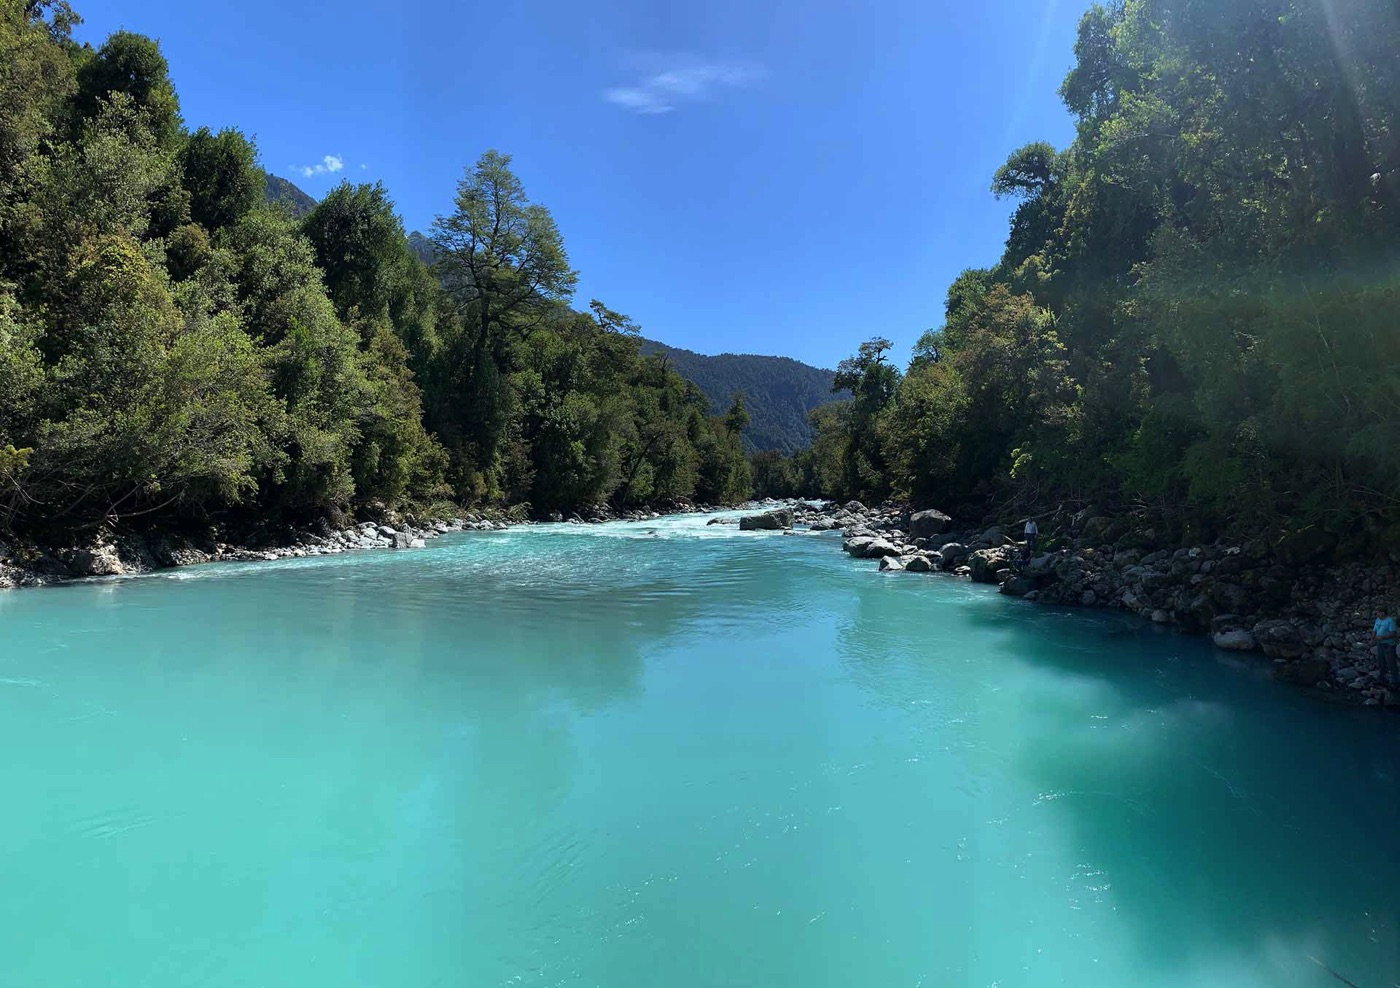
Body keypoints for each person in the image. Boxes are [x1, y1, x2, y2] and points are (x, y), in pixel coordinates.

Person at [1374, 609, 1399, 688]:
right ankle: (1382, 679)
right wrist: (1373, 637)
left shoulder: (1390, 621)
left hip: (1389, 645)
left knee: (1391, 664)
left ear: (1383, 612)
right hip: (1380, 645)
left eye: (1377, 613)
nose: (1376, 614)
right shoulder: (1377, 620)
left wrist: (1382, 637)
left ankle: (1395, 682)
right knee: (1381, 663)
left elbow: (1393, 633)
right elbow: (1374, 630)